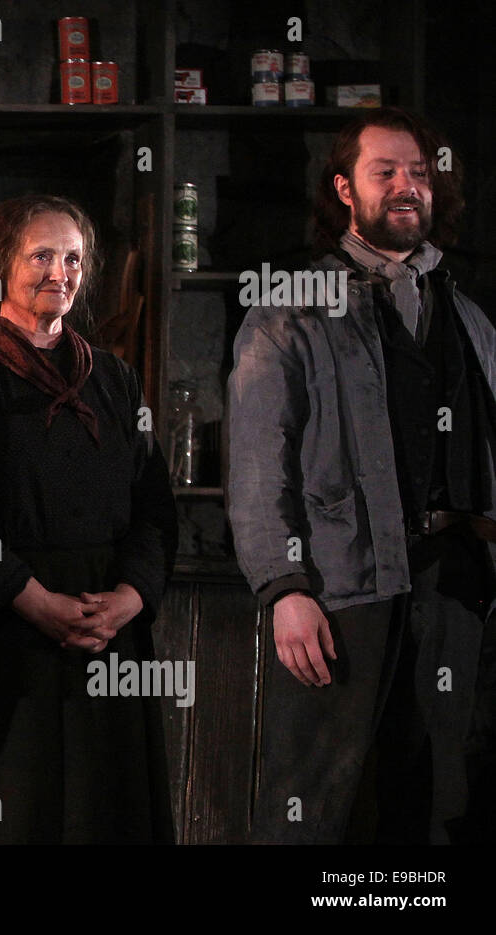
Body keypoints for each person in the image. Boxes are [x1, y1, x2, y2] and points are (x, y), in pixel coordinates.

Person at [228, 107, 496, 843]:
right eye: (387, 172)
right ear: (345, 188)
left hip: (452, 587)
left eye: (420, 172)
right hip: (342, 584)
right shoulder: (290, 308)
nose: (408, 186)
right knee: (314, 803)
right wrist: (284, 590)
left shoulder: (468, 317)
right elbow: (257, 465)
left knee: (439, 802)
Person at [0, 194, 177, 843]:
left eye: (74, 258)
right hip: (1, 634)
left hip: (105, 635)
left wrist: (130, 598)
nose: (61, 271)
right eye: (42, 255)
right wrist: (34, 600)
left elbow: (155, 503)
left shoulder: (115, 380)